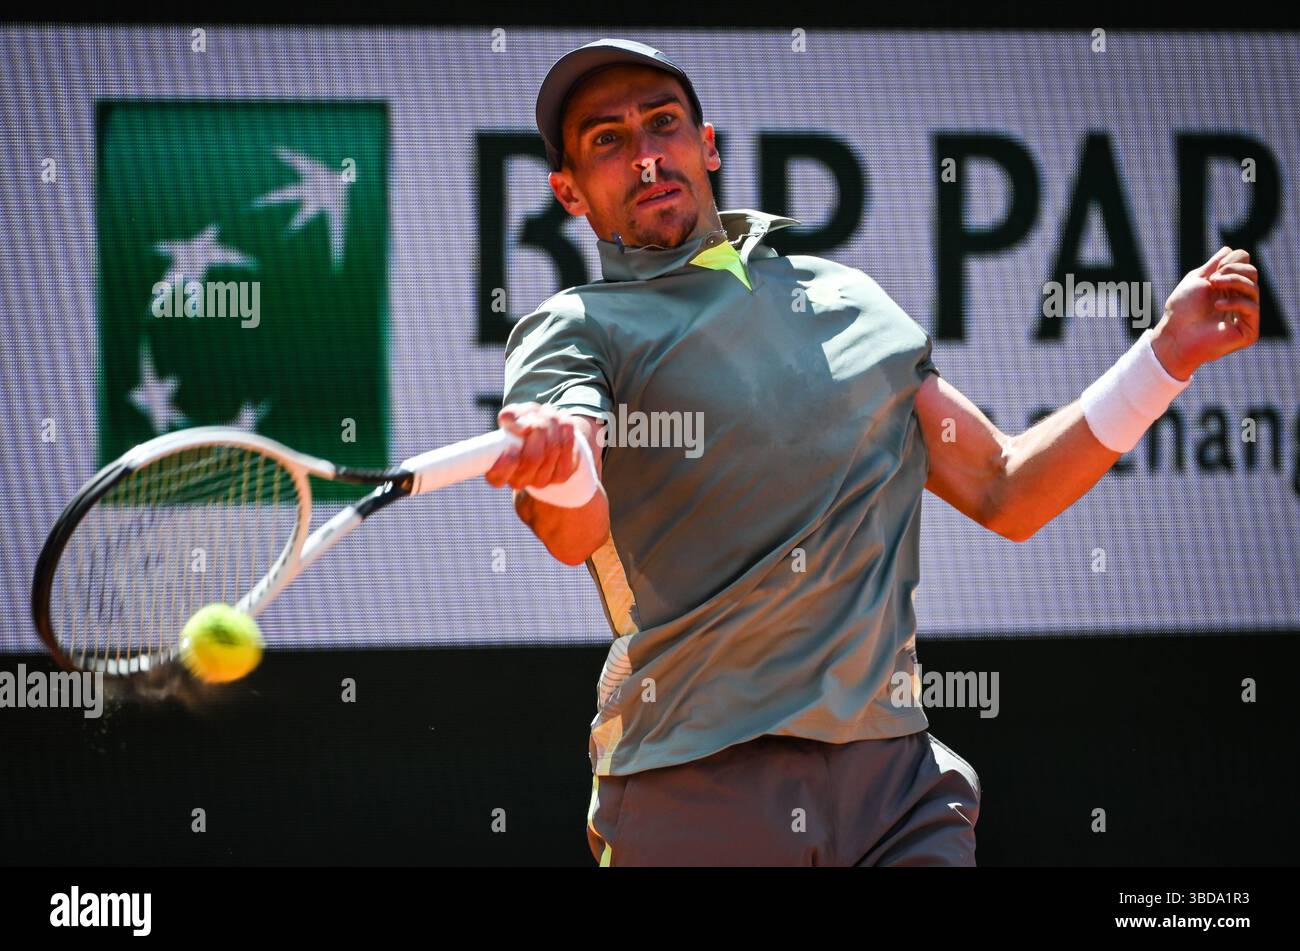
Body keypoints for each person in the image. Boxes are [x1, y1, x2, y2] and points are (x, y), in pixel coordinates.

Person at [486, 38, 1261, 866]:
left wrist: (1165, 356)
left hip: (896, 788)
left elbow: (1006, 488)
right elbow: (571, 527)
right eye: (607, 139)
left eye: (663, 123)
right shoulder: (575, 328)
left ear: (706, 144)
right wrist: (561, 467)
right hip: (693, 782)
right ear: (567, 191)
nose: (645, 156)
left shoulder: (852, 302)